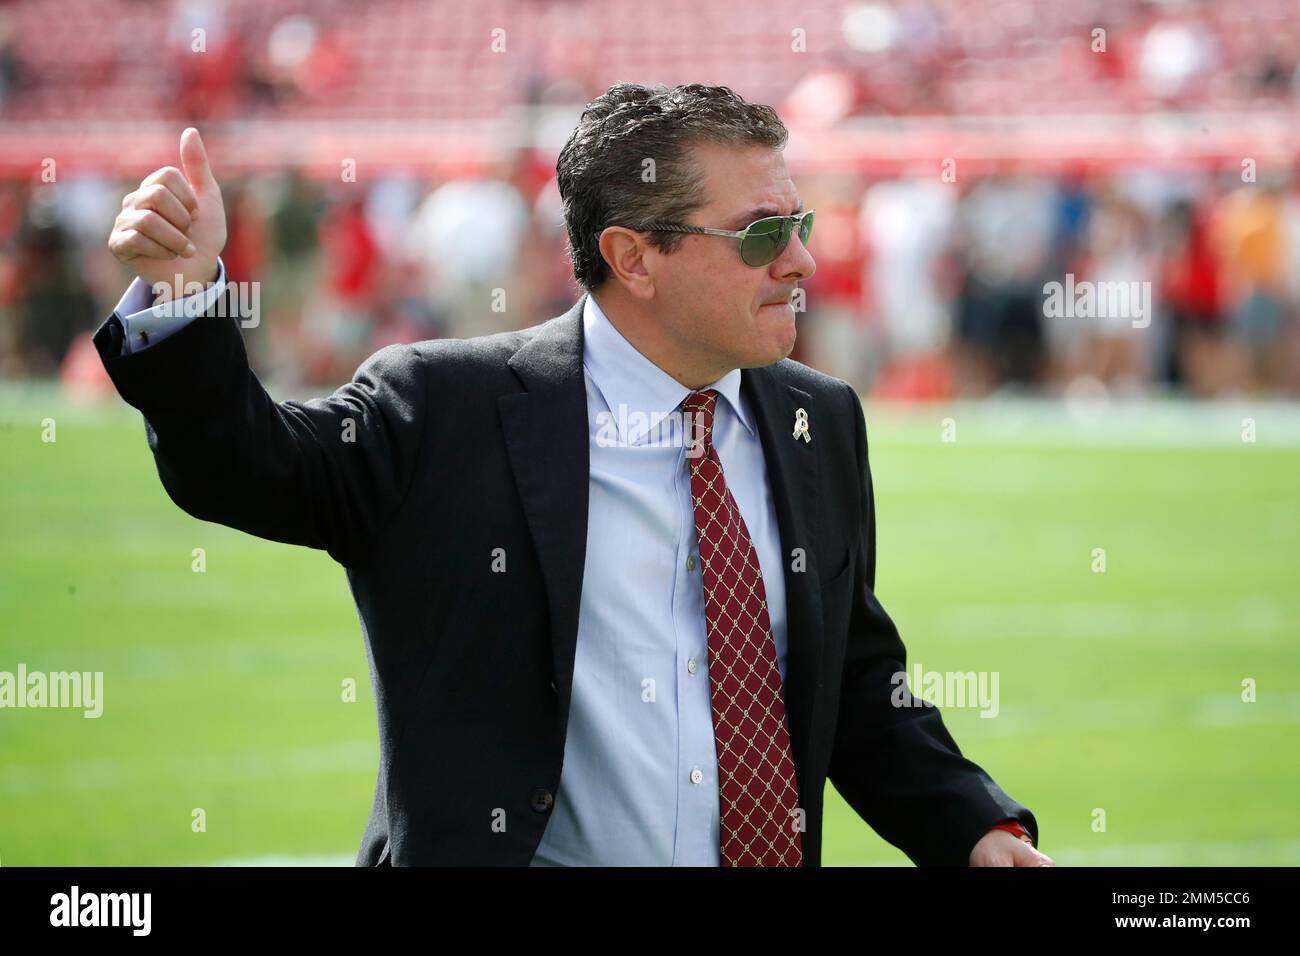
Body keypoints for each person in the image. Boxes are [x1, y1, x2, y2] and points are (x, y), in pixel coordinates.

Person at [100, 83, 1051, 867]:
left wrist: (971, 825)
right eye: (762, 234)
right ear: (632, 257)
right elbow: (243, 470)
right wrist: (185, 297)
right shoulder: (445, 407)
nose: (802, 259)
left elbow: (848, 674)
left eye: (797, 223)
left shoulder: (819, 418)